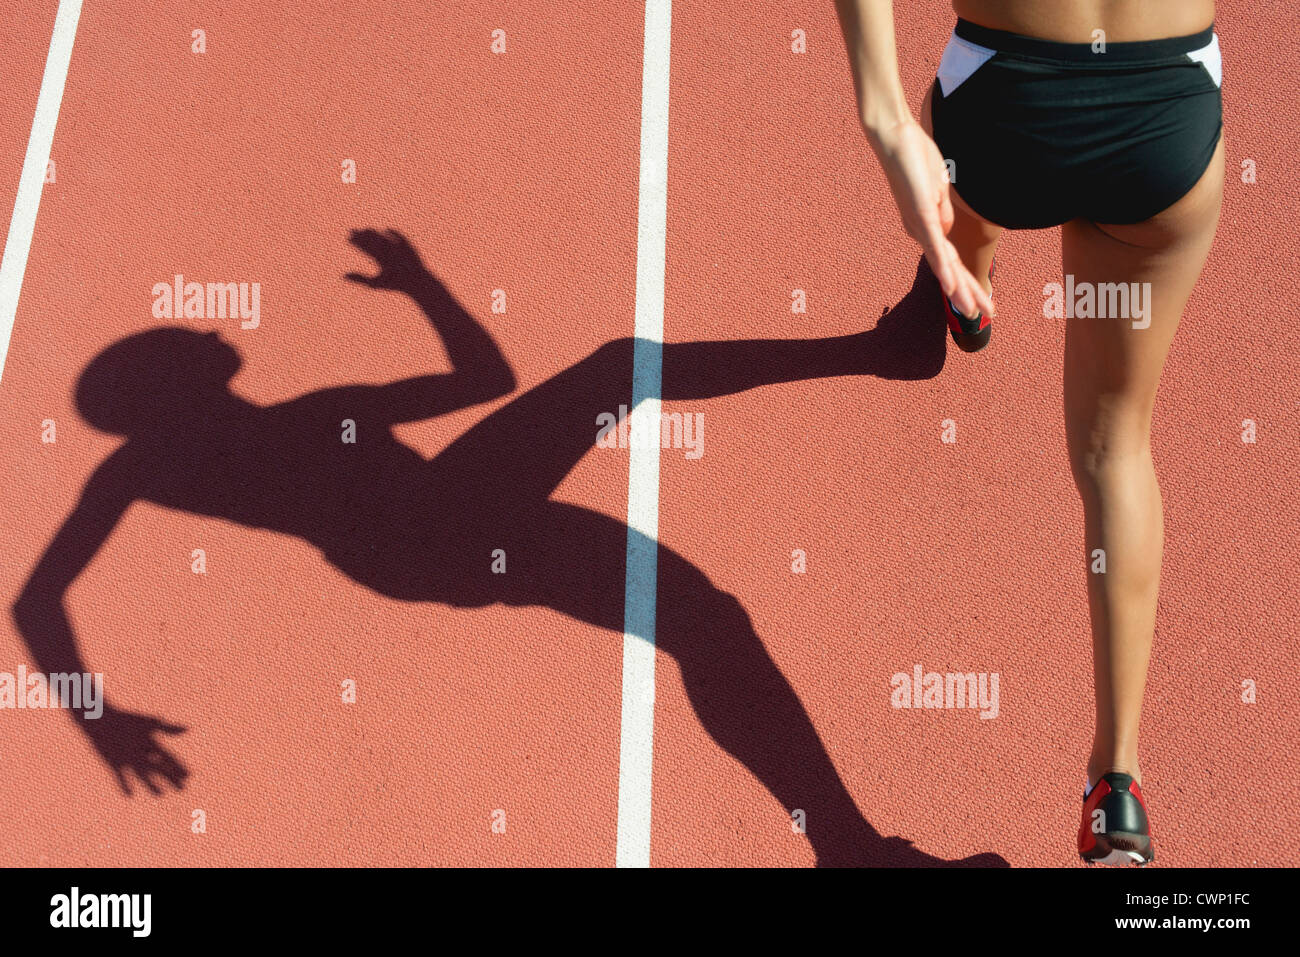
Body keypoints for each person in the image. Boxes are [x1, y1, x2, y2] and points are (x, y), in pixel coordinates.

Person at [834, 0, 1224, 864]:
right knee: (1116, 444)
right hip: (1165, 112)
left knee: (966, 197)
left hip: (1005, 99)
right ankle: (1114, 787)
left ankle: (967, 296)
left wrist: (884, 112)